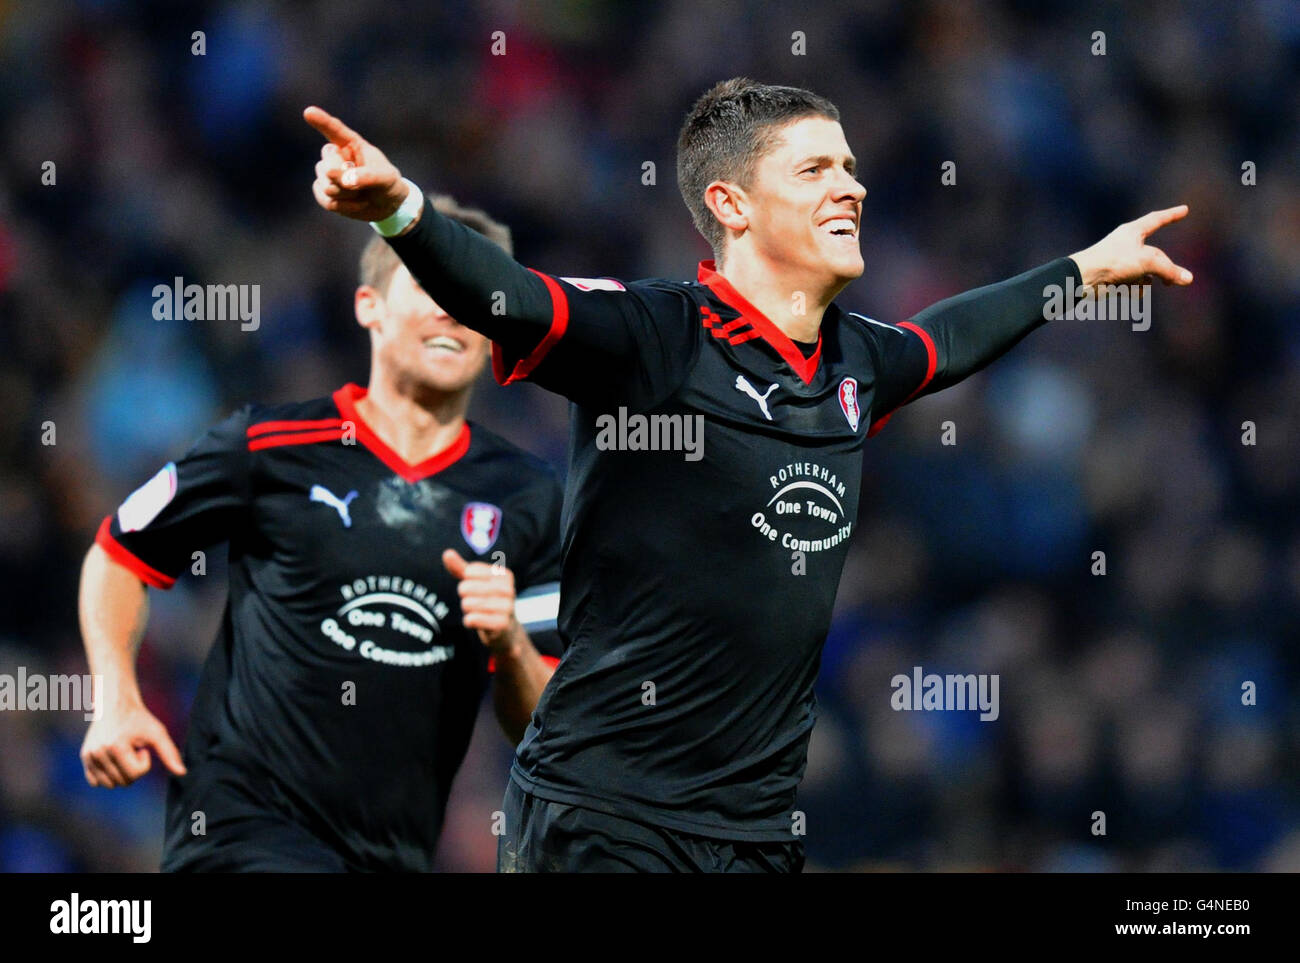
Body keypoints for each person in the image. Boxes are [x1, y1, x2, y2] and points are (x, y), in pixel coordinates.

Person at [303, 76, 1193, 872]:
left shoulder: (855, 361)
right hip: (607, 818)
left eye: (848, 166)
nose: (852, 185)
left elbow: (951, 337)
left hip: (757, 833)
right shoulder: (654, 336)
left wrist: (1085, 268)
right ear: (730, 203)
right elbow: (510, 294)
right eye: (814, 170)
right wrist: (402, 212)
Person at [79, 195, 564, 872]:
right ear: (369, 306)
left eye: (476, 293)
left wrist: (510, 642)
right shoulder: (270, 445)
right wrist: (116, 697)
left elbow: (541, 716)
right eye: (430, 286)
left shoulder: (529, 498)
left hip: (390, 854)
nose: (454, 307)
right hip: (240, 836)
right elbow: (119, 551)